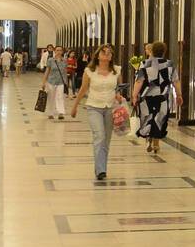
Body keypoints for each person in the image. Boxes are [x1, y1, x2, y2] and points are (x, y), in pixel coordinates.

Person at [69, 44, 126, 181]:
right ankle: (100, 169)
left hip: (110, 107)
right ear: (98, 55)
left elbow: (119, 88)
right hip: (94, 106)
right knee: (99, 136)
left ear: (112, 56)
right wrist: (75, 106)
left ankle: (102, 168)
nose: (106, 55)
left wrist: (119, 95)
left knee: (106, 140)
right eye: (103, 52)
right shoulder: (89, 71)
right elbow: (83, 89)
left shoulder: (117, 70)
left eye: (109, 53)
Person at [132, 41, 178, 155]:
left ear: (152, 51)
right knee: (159, 118)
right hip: (162, 96)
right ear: (164, 51)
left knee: (148, 117)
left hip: (146, 96)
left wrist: (134, 95)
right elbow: (176, 80)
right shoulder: (169, 64)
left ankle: (149, 139)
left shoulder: (144, 64)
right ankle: (156, 143)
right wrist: (179, 94)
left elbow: (139, 81)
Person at [43, 44, 69, 120]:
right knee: (51, 97)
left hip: (61, 82)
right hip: (51, 81)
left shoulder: (64, 61)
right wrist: (44, 82)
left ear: (62, 51)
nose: (59, 52)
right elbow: (47, 71)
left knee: (60, 97)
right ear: (54, 51)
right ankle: (50, 113)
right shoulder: (50, 60)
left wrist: (66, 82)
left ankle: (60, 113)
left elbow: (65, 71)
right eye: (57, 50)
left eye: (60, 50)